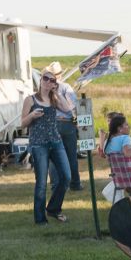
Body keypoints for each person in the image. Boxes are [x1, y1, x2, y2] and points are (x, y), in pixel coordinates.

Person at [21, 69, 71, 225]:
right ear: (40, 80)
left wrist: (57, 93)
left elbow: (68, 109)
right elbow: (22, 124)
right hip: (38, 144)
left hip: (56, 142)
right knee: (41, 183)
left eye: (52, 80)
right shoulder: (30, 100)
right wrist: (32, 116)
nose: (48, 81)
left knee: (66, 177)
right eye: (46, 78)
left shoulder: (54, 98)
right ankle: (40, 219)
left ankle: (53, 208)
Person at [44, 61, 82, 191]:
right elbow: (73, 106)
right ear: (60, 74)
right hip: (66, 123)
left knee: (53, 157)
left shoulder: (44, 90)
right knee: (71, 155)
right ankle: (75, 183)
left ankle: (55, 185)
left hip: (51, 124)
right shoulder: (66, 87)